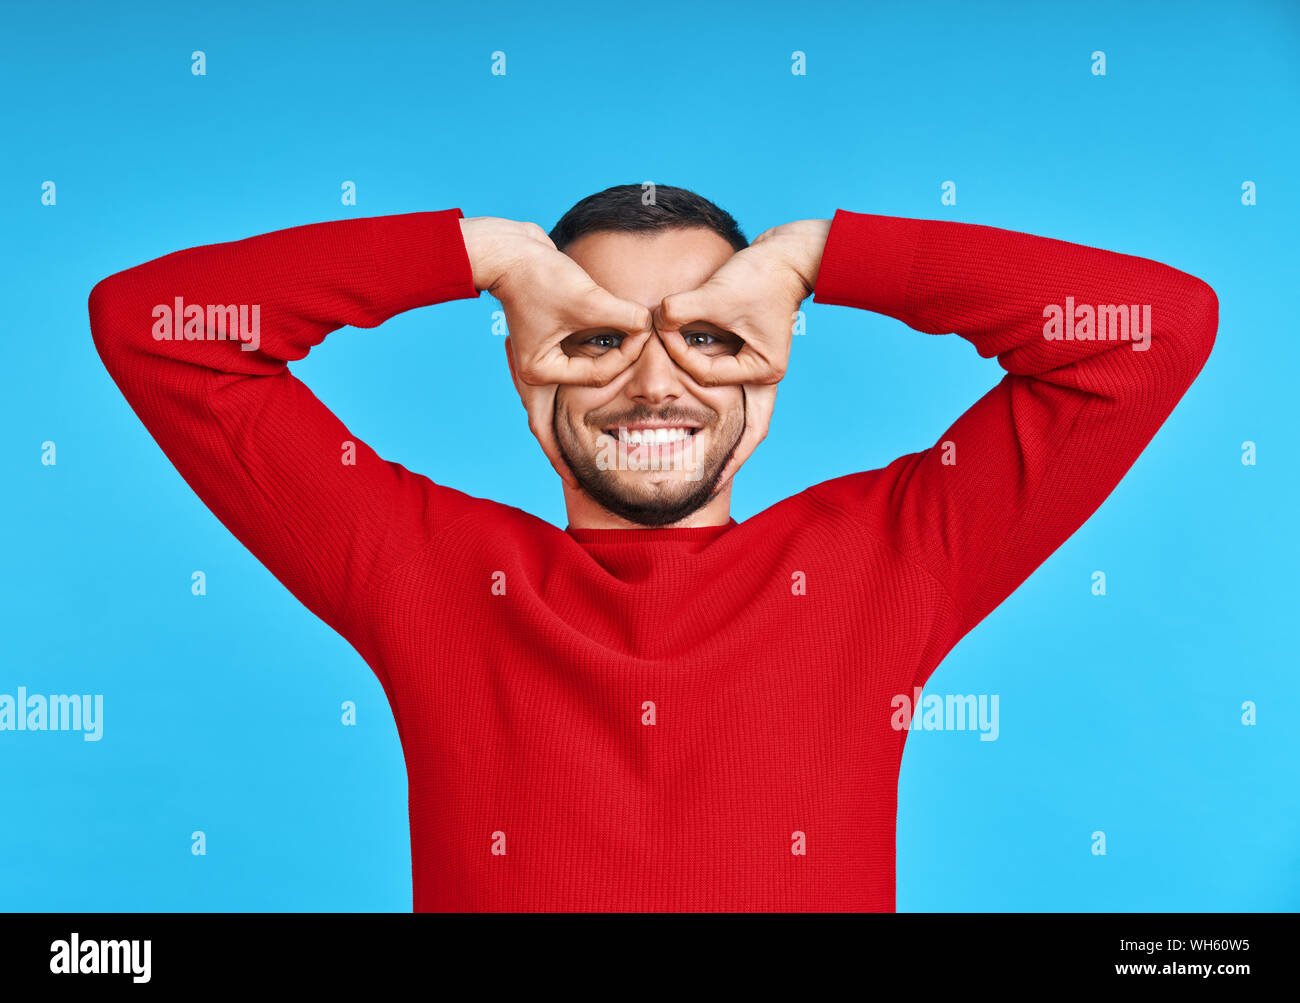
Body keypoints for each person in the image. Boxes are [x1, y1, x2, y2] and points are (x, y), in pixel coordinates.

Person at [88, 184, 1218, 911]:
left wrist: (818, 258)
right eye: (595, 338)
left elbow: (1147, 330)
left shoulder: (892, 555)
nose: (652, 382)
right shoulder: (422, 567)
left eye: (710, 337)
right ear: (529, 372)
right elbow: (157, 327)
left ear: (769, 374)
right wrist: (484, 257)